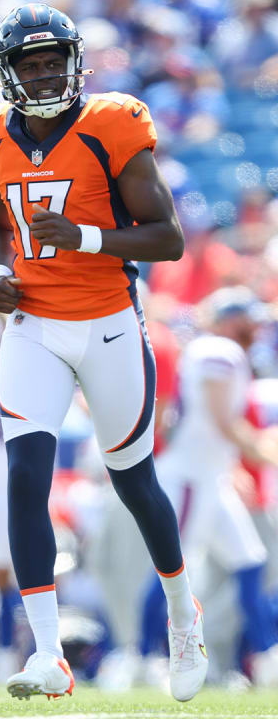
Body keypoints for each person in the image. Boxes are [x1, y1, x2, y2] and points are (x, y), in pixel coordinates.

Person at [0, 3, 206, 702]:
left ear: (74, 63)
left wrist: (84, 238)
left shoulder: (111, 124)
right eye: (29, 64)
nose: (43, 75)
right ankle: (48, 654)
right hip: (34, 328)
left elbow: (168, 238)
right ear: (7, 73)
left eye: (52, 61)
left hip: (107, 322)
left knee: (135, 483)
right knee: (24, 478)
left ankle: (181, 618)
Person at [156, 287, 278, 686]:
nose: (255, 329)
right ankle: (144, 655)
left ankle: (265, 657)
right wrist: (262, 450)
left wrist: (236, 462)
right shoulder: (217, 352)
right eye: (247, 320)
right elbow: (224, 420)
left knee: (250, 560)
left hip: (211, 474)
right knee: (174, 569)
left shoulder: (224, 352)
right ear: (227, 320)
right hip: (190, 476)